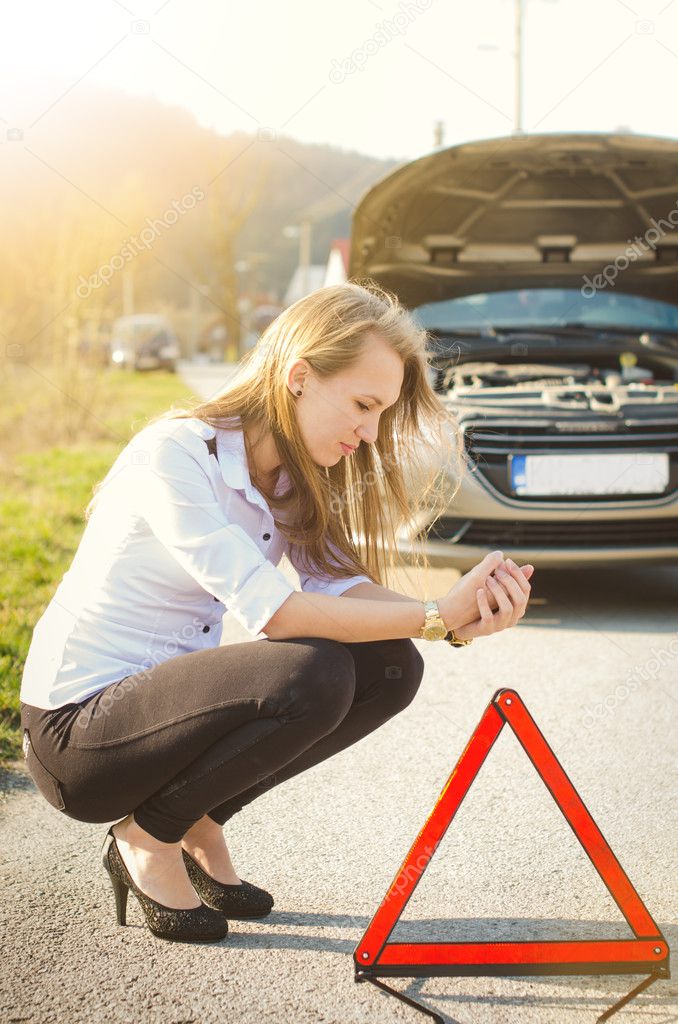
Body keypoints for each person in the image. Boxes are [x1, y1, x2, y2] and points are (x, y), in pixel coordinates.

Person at [19, 280, 534, 945]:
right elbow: (279, 614)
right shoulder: (175, 454)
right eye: (362, 405)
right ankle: (147, 837)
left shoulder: (289, 477)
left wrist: (454, 617)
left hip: (156, 724)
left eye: (381, 414)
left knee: (390, 668)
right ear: (298, 377)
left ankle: (193, 818)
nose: (371, 433)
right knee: (310, 672)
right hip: (77, 739)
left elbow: (341, 587)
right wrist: (435, 612)